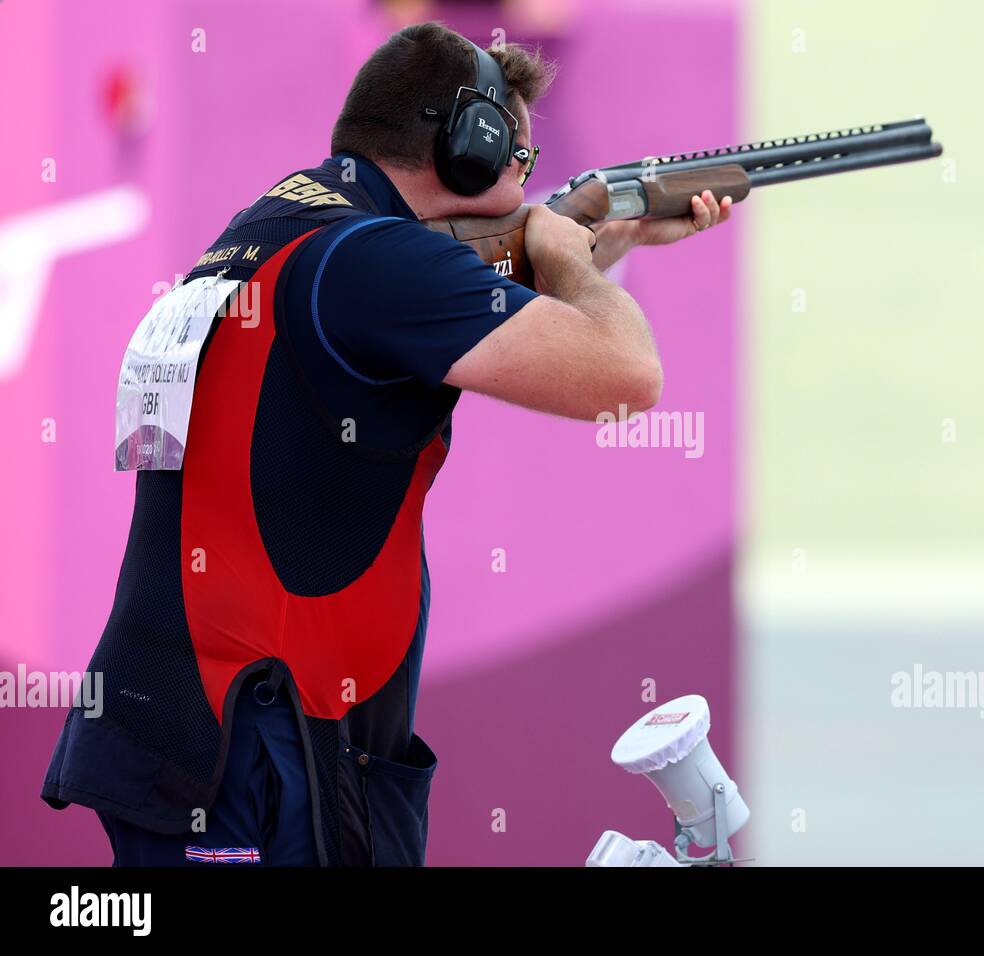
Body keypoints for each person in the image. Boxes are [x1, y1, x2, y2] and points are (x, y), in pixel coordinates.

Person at [40, 21, 730, 866]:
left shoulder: (279, 227)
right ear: (465, 152)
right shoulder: (373, 260)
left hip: (189, 732)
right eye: (517, 162)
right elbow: (627, 375)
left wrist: (593, 247)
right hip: (262, 751)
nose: (526, 189)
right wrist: (569, 261)